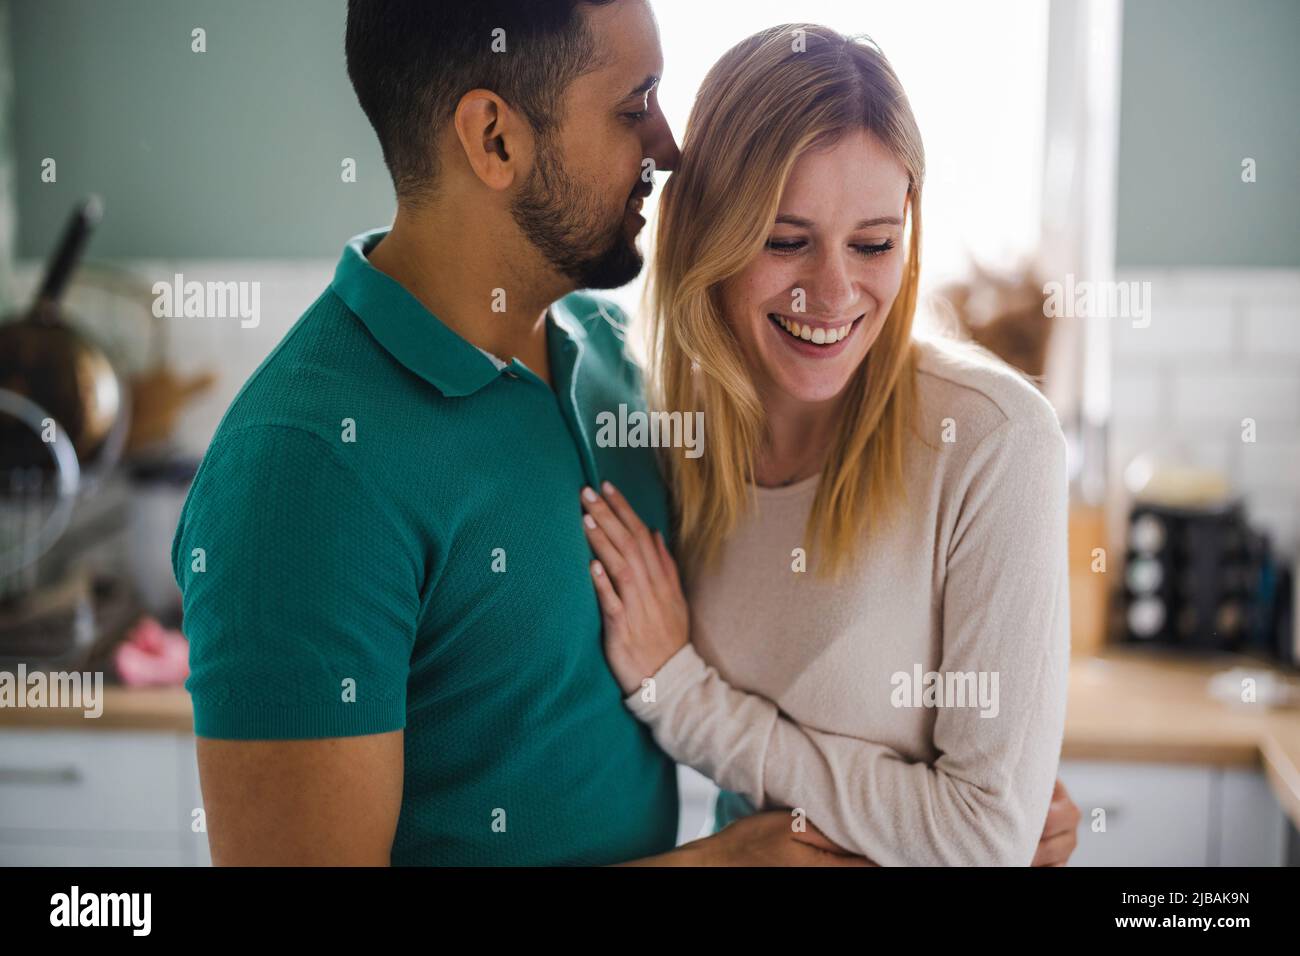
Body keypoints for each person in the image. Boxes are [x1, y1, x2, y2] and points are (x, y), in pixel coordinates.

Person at [174, 0, 1078, 865]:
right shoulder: (301, 470)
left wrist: (961, 813)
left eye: (873, 242)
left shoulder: (617, 366)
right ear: (496, 139)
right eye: (633, 105)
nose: (671, 146)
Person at [579, 23, 1077, 865]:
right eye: (785, 241)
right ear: (706, 234)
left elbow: (986, 836)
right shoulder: (679, 436)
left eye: (874, 244)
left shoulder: (994, 442)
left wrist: (686, 699)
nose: (835, 292)